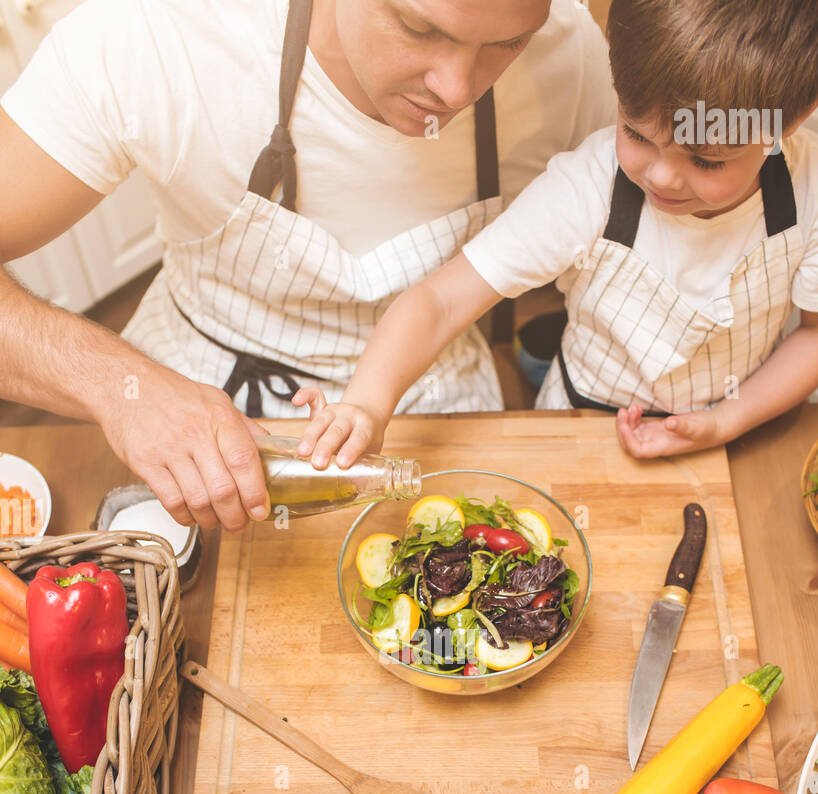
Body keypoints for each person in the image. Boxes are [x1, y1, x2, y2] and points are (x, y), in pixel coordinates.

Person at [0, 0, 614, 531]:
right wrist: (122, 390)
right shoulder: (163, 32)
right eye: (419, 28)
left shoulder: (574, 53)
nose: (456, 89)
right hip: (182, 406)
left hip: (435, 415)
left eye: (507, 43)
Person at [296, 0, 818, 468]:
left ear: (794, 117)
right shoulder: (589, 188)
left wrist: (725, 420)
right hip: (579, 425)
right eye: (637, 135)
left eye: (707, 160)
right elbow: (440, 301)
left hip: (749, 432)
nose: (662, 176)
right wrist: (367, 406)